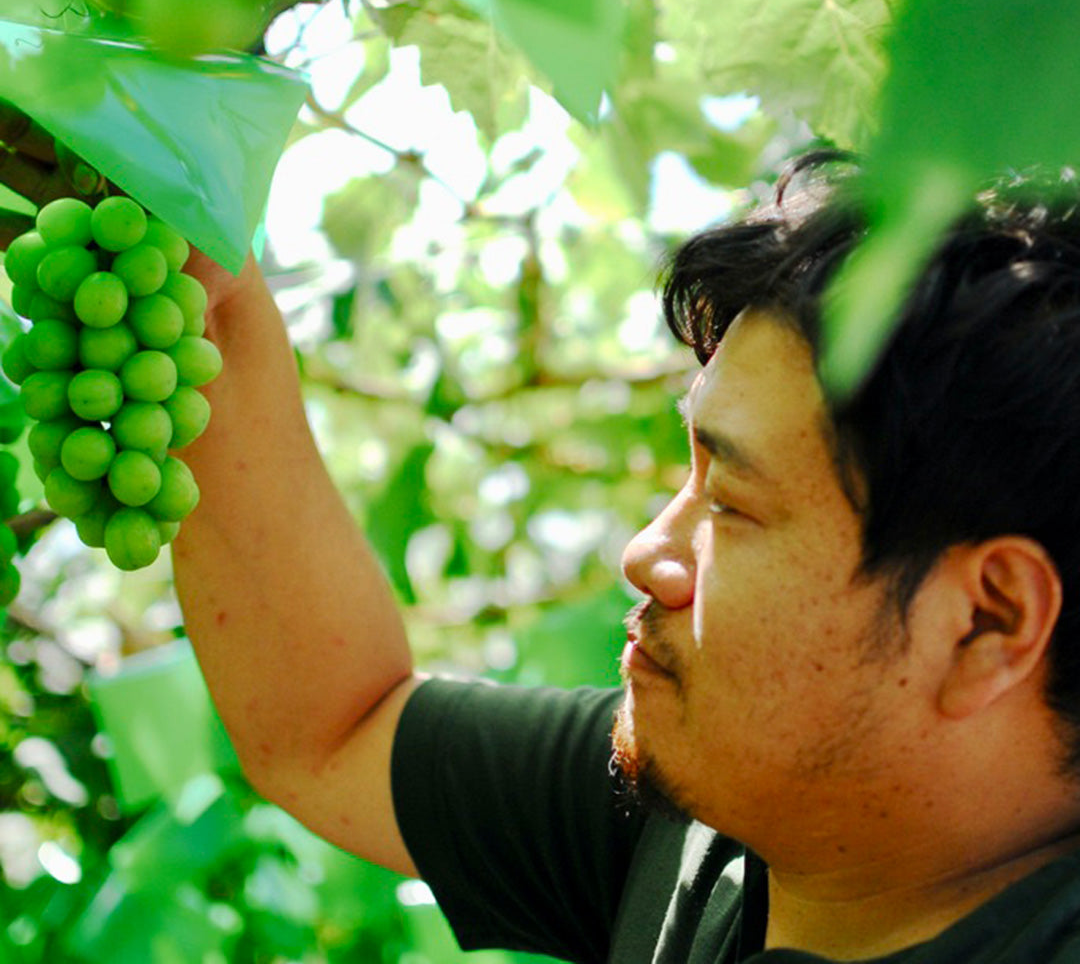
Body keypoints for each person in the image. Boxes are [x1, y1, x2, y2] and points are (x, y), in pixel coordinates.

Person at [4, 107, 1080, 962]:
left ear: (987, 621)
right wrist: (208, 291)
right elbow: (333, 731)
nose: (646, 555)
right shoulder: (727, 815)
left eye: (733, 507)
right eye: (686, 475)